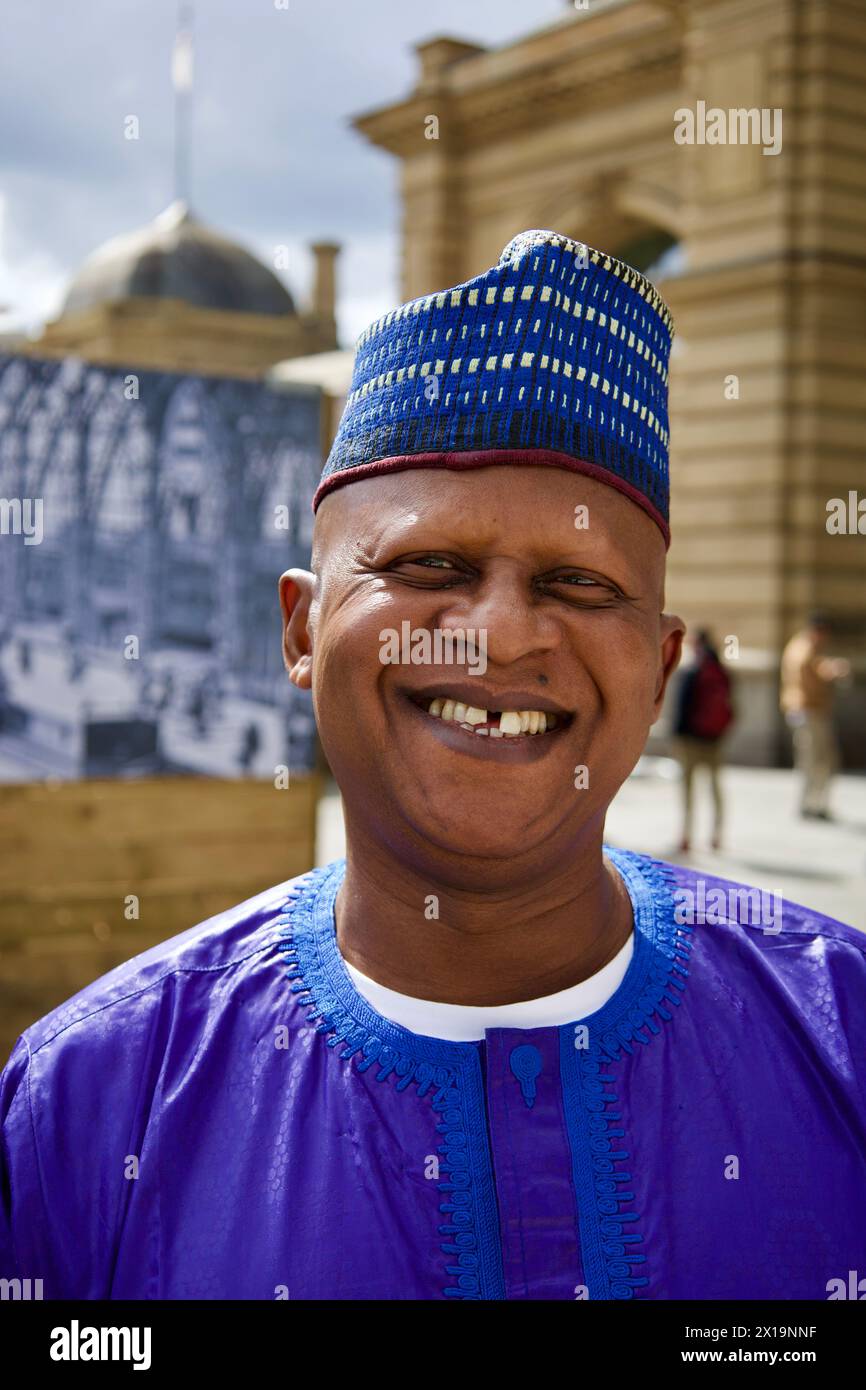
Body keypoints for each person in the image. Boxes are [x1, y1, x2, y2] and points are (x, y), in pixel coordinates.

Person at [2, 231, 865, 1301]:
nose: (496, 636)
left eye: (579, 584)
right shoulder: (93, 1101)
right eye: (428, 565)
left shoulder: (840, 1030)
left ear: (655, 669)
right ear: (302, 632)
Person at [780, 613, 850, 820]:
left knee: (823, 760)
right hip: (808, 711)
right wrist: (833, 671)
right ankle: (808, 805)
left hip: (812, 711)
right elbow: (815, 669)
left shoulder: (803, 646)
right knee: (812, 761)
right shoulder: (804, 648)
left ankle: (815, 803)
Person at [672, 629, 733, 852]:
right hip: (713, 740)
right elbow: (731, 708)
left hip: (689, 741)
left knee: (688, 790)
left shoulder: (692, 671)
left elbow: (681, 708)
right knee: (715, 788)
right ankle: (716, 836)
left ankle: (686, 836)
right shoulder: (722, 671)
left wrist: (677, 735)